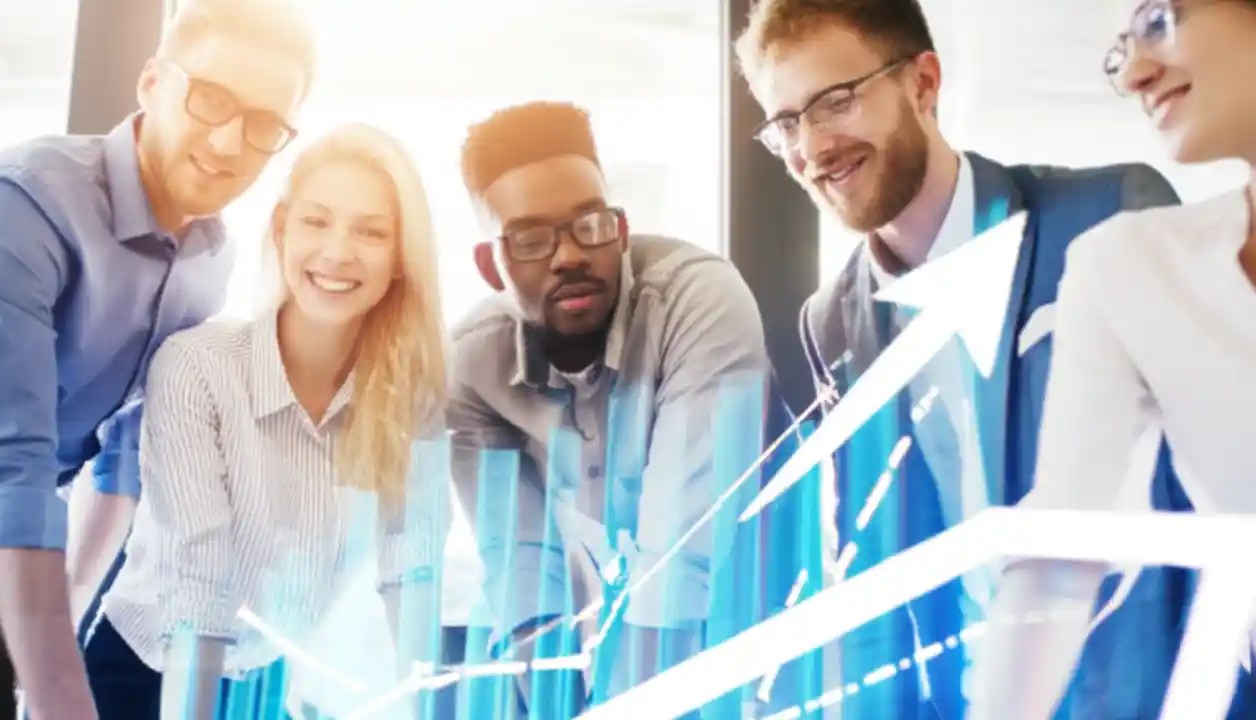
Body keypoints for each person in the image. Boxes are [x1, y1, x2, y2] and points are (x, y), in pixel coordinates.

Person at [734, 0, 1194, 717]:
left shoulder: (1111, 217)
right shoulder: (831, 323)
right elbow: (878, 568)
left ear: (923, 84)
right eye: (786, 124)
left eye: (836, 102)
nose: (812, 147)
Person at [0, 0, 315, 717]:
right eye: (211, 99)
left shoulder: (209, 258)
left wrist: (67, 619)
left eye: (263, 124)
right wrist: (55, 684)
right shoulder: (24, 201)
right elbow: (11, 459)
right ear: (152, 82)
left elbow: (121, 455)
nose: (229, 142)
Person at [82, 122, 451, 720]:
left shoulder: (412, 396)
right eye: (316, 221)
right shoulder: (197, 366)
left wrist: (425, 701)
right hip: (146, 675)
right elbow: (198, 581)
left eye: (372, 231)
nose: (337, 252)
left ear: (401, 259)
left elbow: (412, 566)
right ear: (281, 231)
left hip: (265, 676)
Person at [970, 1, 1256, 718]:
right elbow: (1061, 559)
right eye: (1120, 48)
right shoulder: (1130, 267)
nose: (1132, 74)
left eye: (1160, 18)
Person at [448, 101, 772, 714]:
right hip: (614, 671)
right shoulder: (470, 368)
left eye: (590, 224)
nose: (570, 255)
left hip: (762, 655)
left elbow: (680, 558)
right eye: (532, 239)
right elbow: (523, 571)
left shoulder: (697, 299)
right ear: (492, 266)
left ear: (620, 231)